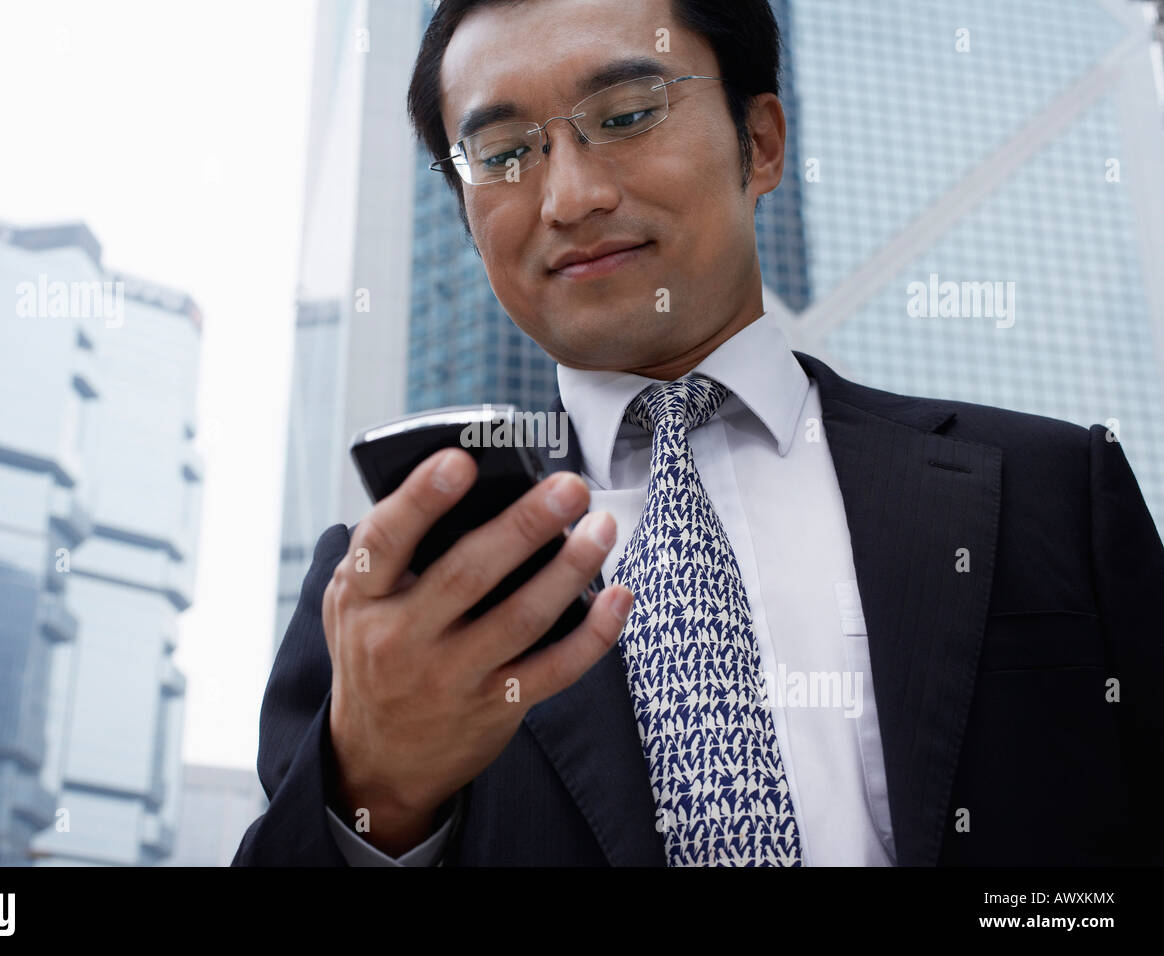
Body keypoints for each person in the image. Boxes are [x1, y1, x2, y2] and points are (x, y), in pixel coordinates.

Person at [234, 0, 1164, 866]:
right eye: (506, 153)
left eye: (630, 113)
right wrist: (377, 797)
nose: (569, 198)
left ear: (759, 143)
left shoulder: (1053, 492)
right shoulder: (390, 594)